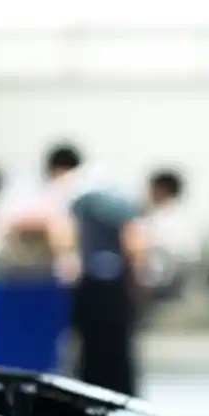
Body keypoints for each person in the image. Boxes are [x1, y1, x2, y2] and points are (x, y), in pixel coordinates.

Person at [42, 143, 147, 396]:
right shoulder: (116, 190)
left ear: (58, 168)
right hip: (117, 281)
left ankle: (89, 394)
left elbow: (62, 235)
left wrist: (67, 260)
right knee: (119, 347)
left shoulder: (70, 190)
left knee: (90, 348)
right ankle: (124, 395)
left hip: (89, 281)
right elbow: (135, 240)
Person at [141, 168, 201, 302]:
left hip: (159, 288)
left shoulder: (158, 221)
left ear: (161, 190)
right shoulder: (184, 221)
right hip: (174, 287)